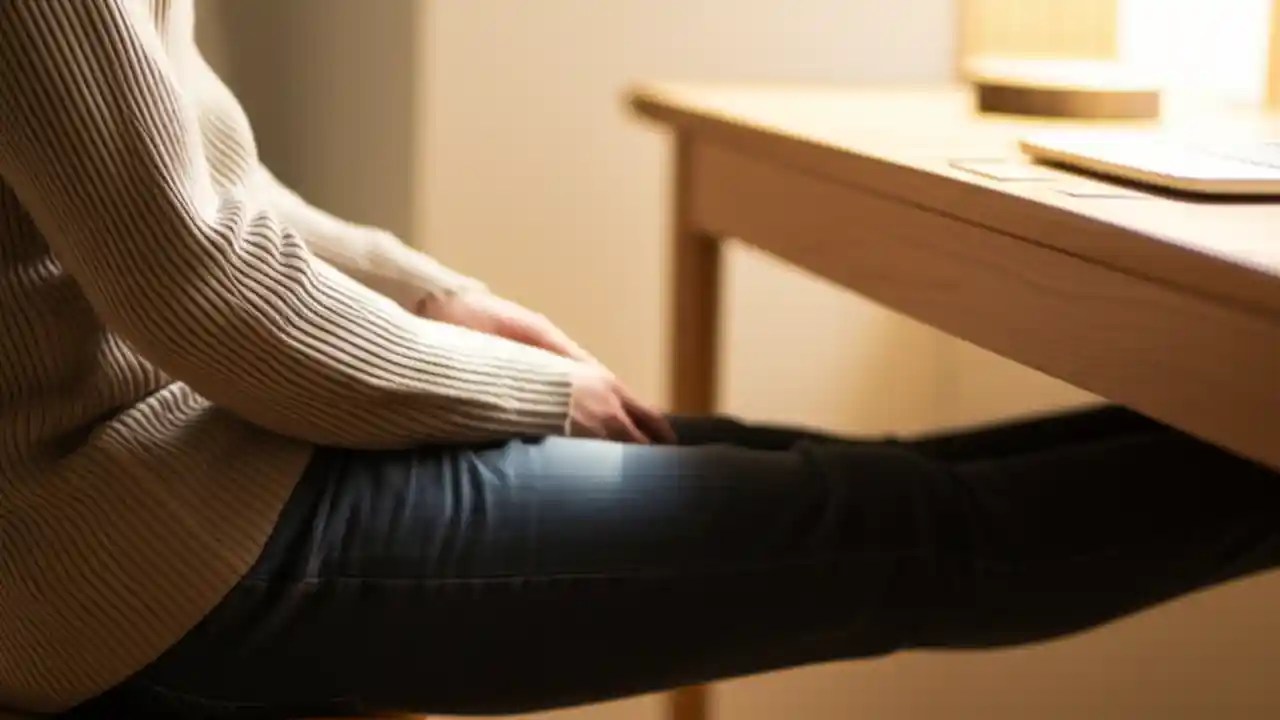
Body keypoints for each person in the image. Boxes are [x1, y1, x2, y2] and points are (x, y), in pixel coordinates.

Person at [1, 2, 1277, 718]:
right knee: (909, 535)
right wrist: (541, 392)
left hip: (171, 466)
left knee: (848, 488)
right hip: (113, 542)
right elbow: (204, 289)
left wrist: (440, 294)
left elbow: (214, 186)